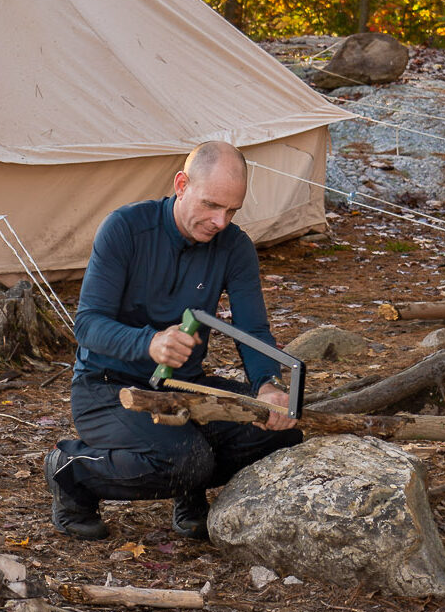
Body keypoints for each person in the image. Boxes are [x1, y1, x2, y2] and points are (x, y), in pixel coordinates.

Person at [44, 141, 302, 540]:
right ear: (182, 184)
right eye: (212, 205)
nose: (220, 221)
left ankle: (189, 486)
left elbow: (252, 331)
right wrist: (148, 344)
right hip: (108, 388)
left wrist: (267, 386)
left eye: (232, 210)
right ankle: (72, 471)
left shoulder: (234, 245)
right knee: (186, 458)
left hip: (182, 387)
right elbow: (87, 325)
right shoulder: (126, 228)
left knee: (279, 433)